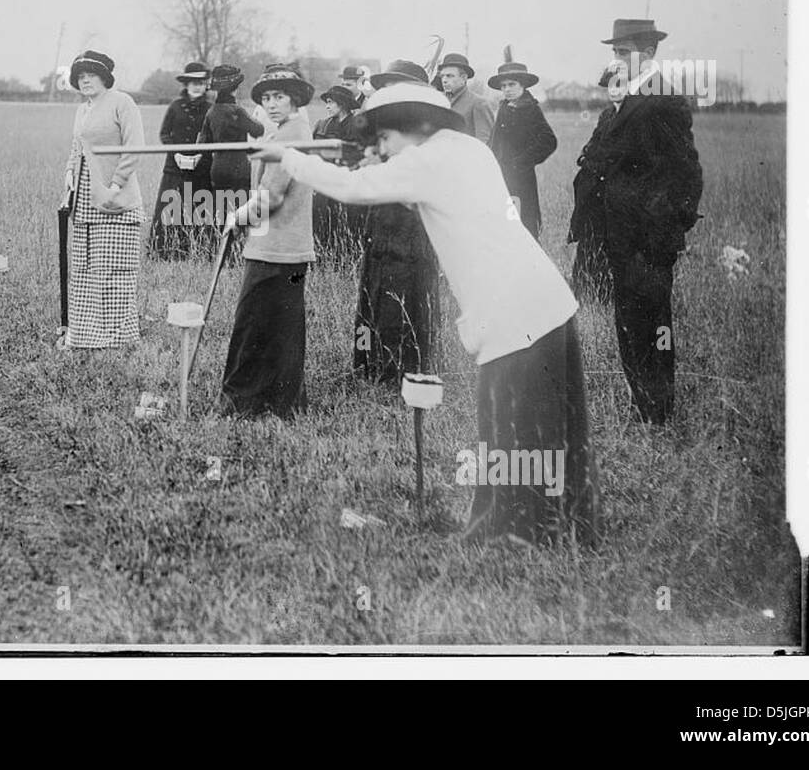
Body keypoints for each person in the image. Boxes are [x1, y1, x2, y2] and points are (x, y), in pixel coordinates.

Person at [254, 84, 599, 546]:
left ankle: (511, 535)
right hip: (548, 301)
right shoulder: (467, 150)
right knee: (554, 426)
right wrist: (382, 163)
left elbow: (353, 190)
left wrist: (289, 156)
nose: (381, 151)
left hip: (511, 313)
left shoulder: (427, 161)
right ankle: (564, 526)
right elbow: (417, 189)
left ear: (412, 127)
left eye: (384, 141)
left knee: (509, 429)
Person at [595, 19, 704, 426]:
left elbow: (686, 172)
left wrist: (664, 231)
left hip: (649, 238)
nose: (617, 60)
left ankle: (657, 411)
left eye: (624, 52)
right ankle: (641, 403)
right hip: (623, 235)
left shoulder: (664, 100)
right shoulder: (626, 98)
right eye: (615, 52)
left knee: (653, 324)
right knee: (629, 323)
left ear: (649, 53)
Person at [219, 64, 316, 419]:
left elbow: (270, 197)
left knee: (254, 326)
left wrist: (237, 216)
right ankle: (281, 403)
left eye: (280, 97)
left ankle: (244, 403)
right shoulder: (287, 132)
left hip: (278, 247)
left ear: (294, 100)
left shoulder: (291, 135)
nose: (272, 104)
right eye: (267, 98)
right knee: (280, 328)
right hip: (282, 246)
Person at [352, 60, 441, 384]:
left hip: (411, 231)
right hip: (381, 223)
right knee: (372, 294)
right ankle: (368, 362)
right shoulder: (386, 129)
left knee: (402, 299)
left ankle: (401, 369)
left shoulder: (426, 132)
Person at [60, 50, 146, 350]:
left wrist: (115, 183)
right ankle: (85, 334)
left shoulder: (122, 102)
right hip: (84, 198)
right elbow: (77, 146)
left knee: (113, 269)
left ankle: (117, 338)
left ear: (104, 77)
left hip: (116, 200)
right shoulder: (82, 110)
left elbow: (135, 147)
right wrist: (70, 172)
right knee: (85, 267)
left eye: (91, 75)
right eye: (80, 76)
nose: (85, 80)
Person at [567, 67, 625, 304]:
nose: (614, 90)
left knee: (615, 246)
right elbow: (593, 144)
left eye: (620, 85)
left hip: (617, 193)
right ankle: (584, 294)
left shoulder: (635, 118)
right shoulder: (607, 115)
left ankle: (607, 295)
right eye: (611, 85)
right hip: (595, 192)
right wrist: (587, 156)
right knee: (589, 242)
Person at [148, 61, 213, 259]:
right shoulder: (175, 107)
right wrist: (175, 154)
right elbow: (164, 134)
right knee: (169, 206)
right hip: (174, 168)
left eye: (201, 82)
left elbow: (213, 137)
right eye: (193, 82)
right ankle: (165, 251)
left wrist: (200, 156)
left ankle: (195, 250)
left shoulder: (211, 109)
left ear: (206, 85)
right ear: (186, 84)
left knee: (198, 208)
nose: (197, 86)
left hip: (200, 168)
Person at [487, 57, 557, 240]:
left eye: (512, 84)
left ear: (523, 85)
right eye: (503, 86)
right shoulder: (504, 107)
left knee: (522, 227)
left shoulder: (530, 109)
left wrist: (521, 162)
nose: (507, 89)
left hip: (520, 180)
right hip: (500, 178)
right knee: (503, 227)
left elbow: (549, 140)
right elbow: (495, 140)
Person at [197, 64, 264, 229]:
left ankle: (220, 245)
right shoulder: (237, 111)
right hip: (239, 167)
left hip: (218, 168)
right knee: (241, 213)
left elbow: (202, 144)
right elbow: (258, 130)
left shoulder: (211, 112)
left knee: (221, 212)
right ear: (235, 88)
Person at [311, 84, 364, 259]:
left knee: (350, 222)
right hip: (326, 182)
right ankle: (325, 254)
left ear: (342, 104)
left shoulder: (357, 125)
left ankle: (348, 256)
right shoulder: (322, 125)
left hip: (350, 182)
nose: (327, 106)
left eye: (331, 102)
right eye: (326, 102)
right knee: (324, 219)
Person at [436, 52, 495, 145]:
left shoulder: (478, 103)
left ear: (463, 78)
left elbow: (484, 144)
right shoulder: (439, 101)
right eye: (442, 76)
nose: (444, 80)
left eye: (450, 76)